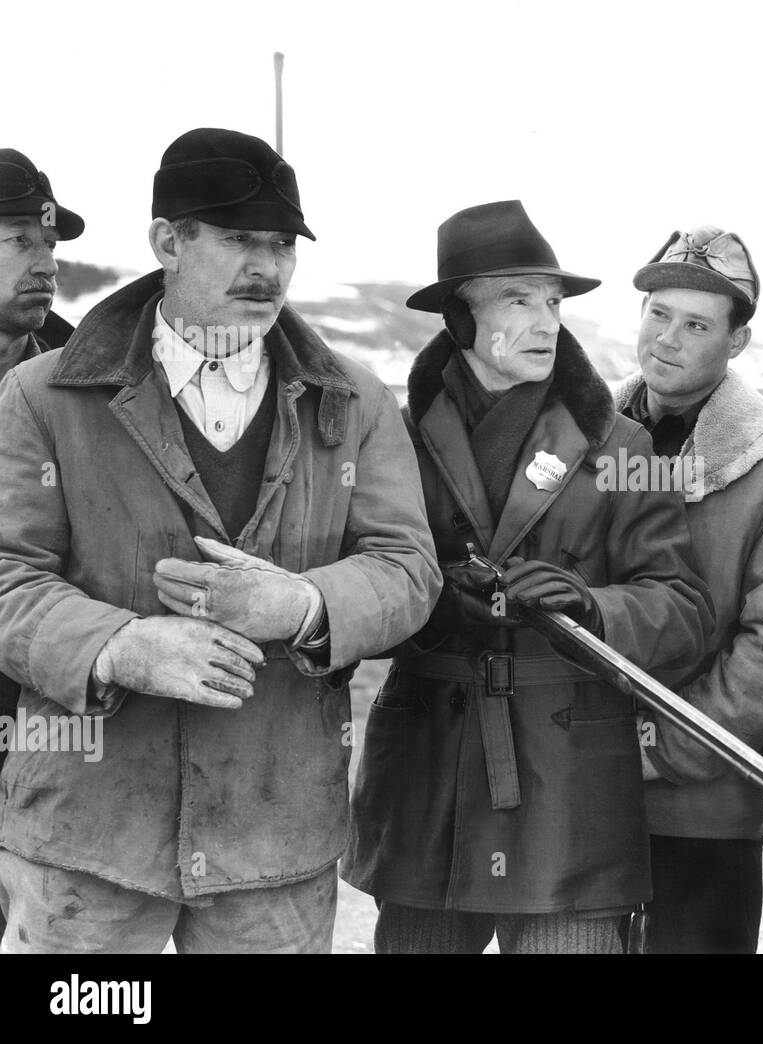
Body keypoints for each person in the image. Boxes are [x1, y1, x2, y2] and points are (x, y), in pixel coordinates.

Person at [0, 128, 438, 953]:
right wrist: (118, 647)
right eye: (238, 239)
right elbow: (5, 574)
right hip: (88, 844)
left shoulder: (356, 402)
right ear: (168, 241)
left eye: (281, 245)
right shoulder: (42, 396)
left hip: (271, 843)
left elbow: (409, 570)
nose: (266, 267)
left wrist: (304, 603)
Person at [341, 200, 714, 954]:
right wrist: (435, 596)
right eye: (519, 300)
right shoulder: (391, 439)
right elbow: (355, 586)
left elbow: (684, 611)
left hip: (567, 789)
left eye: (552, 302)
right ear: (460, 318)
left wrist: (592, 606)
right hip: (428, 781)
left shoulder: (624, 443)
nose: (548, 322)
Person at [612, 225, 763, 953]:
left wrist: (655, 750)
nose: (667, 340)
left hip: (704, 811)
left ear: (737, 342)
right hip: (575, 797)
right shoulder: (584, 442)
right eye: (658, 314)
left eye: (698, 324)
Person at [0, 147, 84, 941]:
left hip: (41, 718)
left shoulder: (78, 379)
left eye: (51, 246)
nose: (45, 264)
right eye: (20, 241)